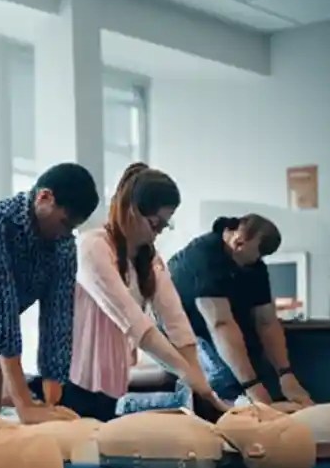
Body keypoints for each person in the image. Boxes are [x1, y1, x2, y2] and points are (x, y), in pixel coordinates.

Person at [63, 163, 228, 421]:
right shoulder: (93, 247)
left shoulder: (147, 259)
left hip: (111, 383)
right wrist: (187, 374)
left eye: (164, 226)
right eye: (155, 224)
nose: (158, 232)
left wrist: (201, 384)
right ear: (131, 210)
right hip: (73, 380)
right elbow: (136, 325)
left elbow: (176, 322)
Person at [0, 163, 99, 420]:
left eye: (72, 228)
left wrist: (51, 400)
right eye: (64, 222)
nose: (65, 233)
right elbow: (0, 313)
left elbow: (58, 318)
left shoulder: (63, 244)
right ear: (44, 197)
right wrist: (24, 404)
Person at [168, 214, 312, 406]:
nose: (255, 262)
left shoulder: (254, 264)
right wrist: (252, 386)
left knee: (258, 366)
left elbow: (267, 321)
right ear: (239, 242)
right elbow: (220, 324)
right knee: (227, 383)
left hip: (220, 319)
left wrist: (285, 374)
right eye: (255, 255)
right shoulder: (204, 257)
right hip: (181, 326)